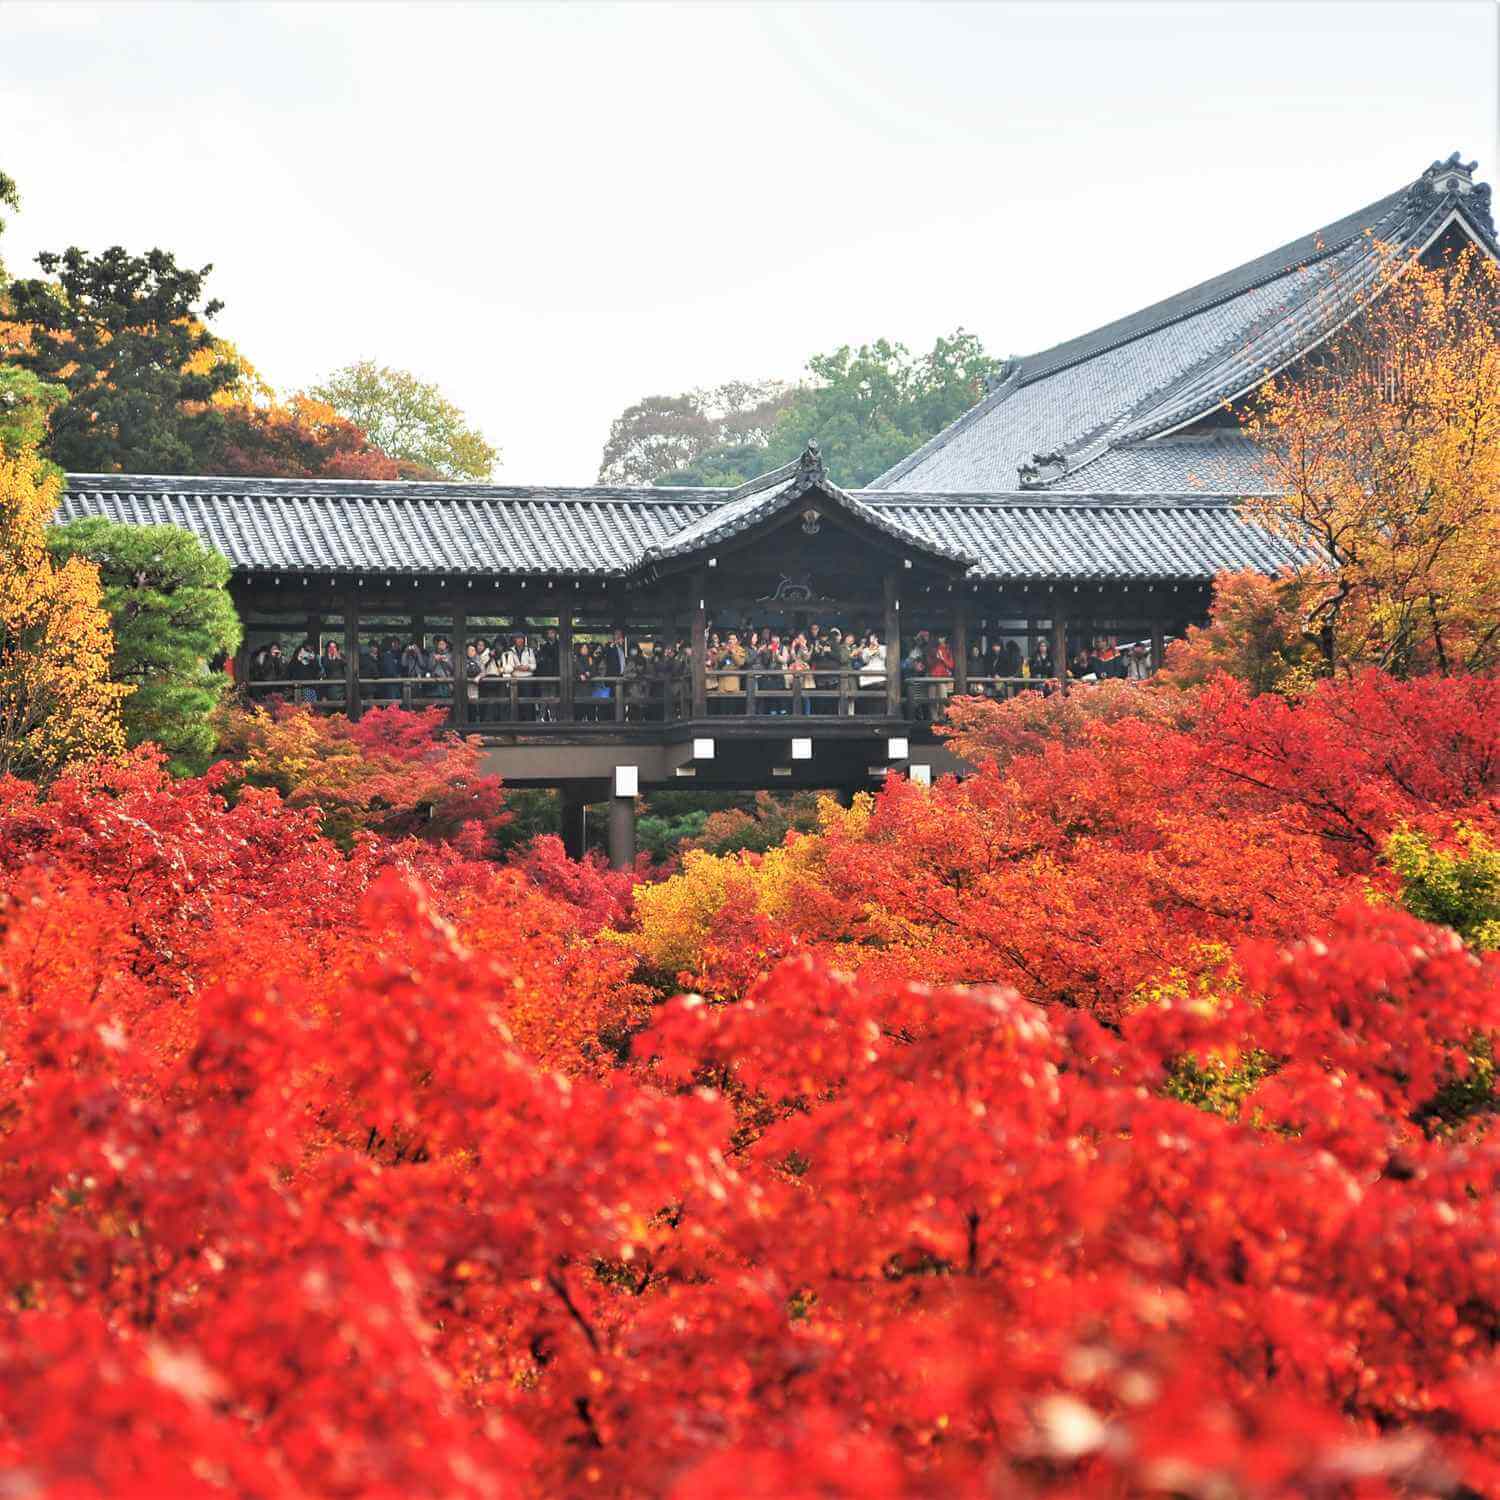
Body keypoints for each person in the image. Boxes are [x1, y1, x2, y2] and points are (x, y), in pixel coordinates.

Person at [858, 631, 887, 715]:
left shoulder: (883, 648)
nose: (873, 639)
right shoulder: (866, 649)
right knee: (870, 697)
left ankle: (880, 714)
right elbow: (865, 660)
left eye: (874, 637)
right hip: (869, 677)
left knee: (880, 697)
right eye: (871, 637)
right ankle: (870, 714)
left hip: (880, 675)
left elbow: (883, 656)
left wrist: (877, 647)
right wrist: (869, 652)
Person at [286, 640, 320, 704]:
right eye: (306, 650)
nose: (307, 653)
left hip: (310, 689)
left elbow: (317, 673)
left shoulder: (313, 661)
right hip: (297, 690)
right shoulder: (294, 661)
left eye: (310, 651)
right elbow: (288, 673)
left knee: (311, 707)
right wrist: (298, 659)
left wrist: (312, 661)